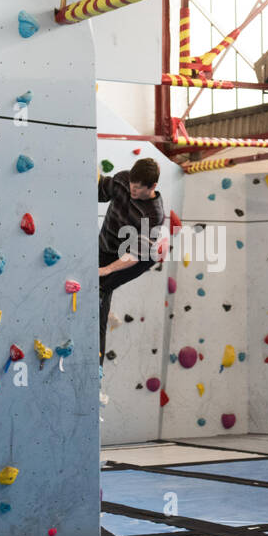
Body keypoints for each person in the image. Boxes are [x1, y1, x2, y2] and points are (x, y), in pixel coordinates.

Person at [97, 158, 164, 384]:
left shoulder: (154, 215)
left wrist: (106, 271)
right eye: (131, 185)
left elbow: (134, 255)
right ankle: (102, 285)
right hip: (102, 245)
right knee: (99, 300)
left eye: (138, 188)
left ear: (152, 187)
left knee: (152, 254)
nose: (132, 190)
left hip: (121, 258)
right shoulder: (124, 180)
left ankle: (96, 367)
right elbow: (100, 191)